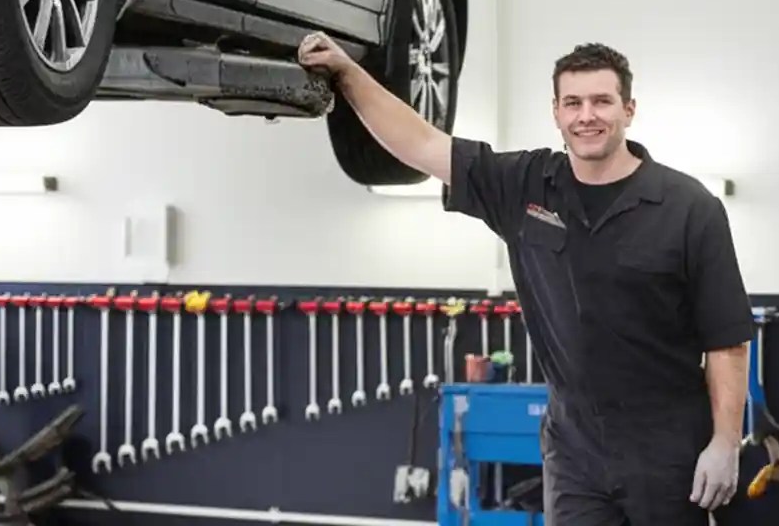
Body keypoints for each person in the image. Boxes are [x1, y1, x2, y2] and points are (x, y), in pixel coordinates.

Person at [299, 35, 753, 525]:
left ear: (629, 109)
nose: (587, 116)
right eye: (573, 103)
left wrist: (725, 442)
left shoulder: (689, 208)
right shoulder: (526, 184)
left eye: (602, 101)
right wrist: (347, 73)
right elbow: (422, 143)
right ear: (556, 112)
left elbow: (727, 342)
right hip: (574, 449)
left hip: (667, 449)